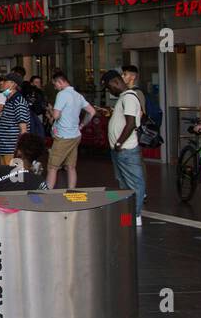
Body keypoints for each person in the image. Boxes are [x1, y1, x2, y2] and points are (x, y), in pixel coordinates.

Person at [101, 70, 145, 225]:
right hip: (120, 150)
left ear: (115, 82)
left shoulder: (130, 98)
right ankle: (129, 214)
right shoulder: (123, 98)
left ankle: (135, 215)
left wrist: (119, 143)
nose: (109, 91)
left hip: (126, 149)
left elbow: (131, 123)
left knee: (134, 184)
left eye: (108, 87)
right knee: (124, 184)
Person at [47, 70, 95, 189]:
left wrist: (50, 111)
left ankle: (46, 194)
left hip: (63, 136)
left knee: (53, 167)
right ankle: (71, 192)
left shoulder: (62, 94)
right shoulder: (78, 95)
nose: (55, 87)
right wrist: (82, 125)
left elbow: (56, 116)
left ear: (60, 82)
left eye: (55, 84)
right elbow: (92, 111)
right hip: (75, 135)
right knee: (71, 167)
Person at [0, 71, 30, 167]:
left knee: (14, 177)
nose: (2, 83)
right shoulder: (10, 100)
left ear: (13, 84)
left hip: (12, 149)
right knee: (7, 175)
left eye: (5, 81)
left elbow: (23, 128)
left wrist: (19, 149)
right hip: (6, 148)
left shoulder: (18, 101)